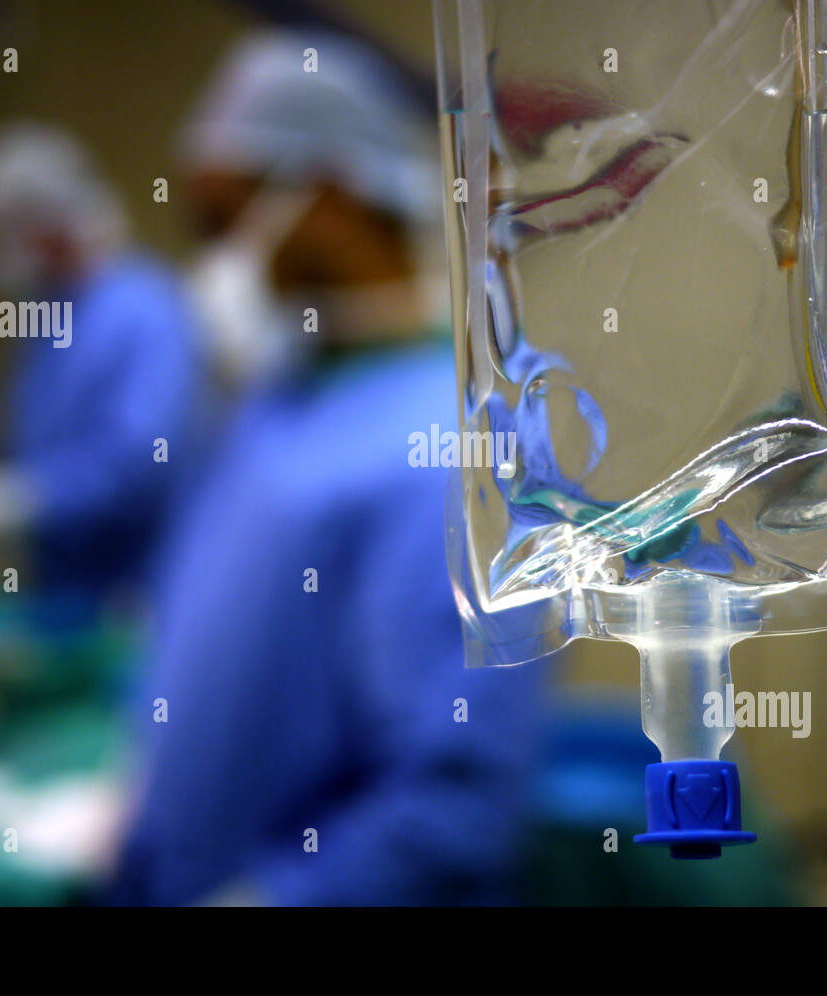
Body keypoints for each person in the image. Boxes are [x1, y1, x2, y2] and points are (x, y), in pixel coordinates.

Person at [108, 31, 545, 905]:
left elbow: (454, 800)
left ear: (334, 194)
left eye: (223, 222)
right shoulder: (275, 399)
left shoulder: (450, 443)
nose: (212, 262)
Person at [0, 123, 205, 602]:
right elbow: (32, 437)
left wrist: (9, 502)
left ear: (50, 229)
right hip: (59, 591)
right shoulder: (49, 312)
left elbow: (141, 465)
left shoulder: (144, 311)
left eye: (4, 233)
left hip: (132, 595)